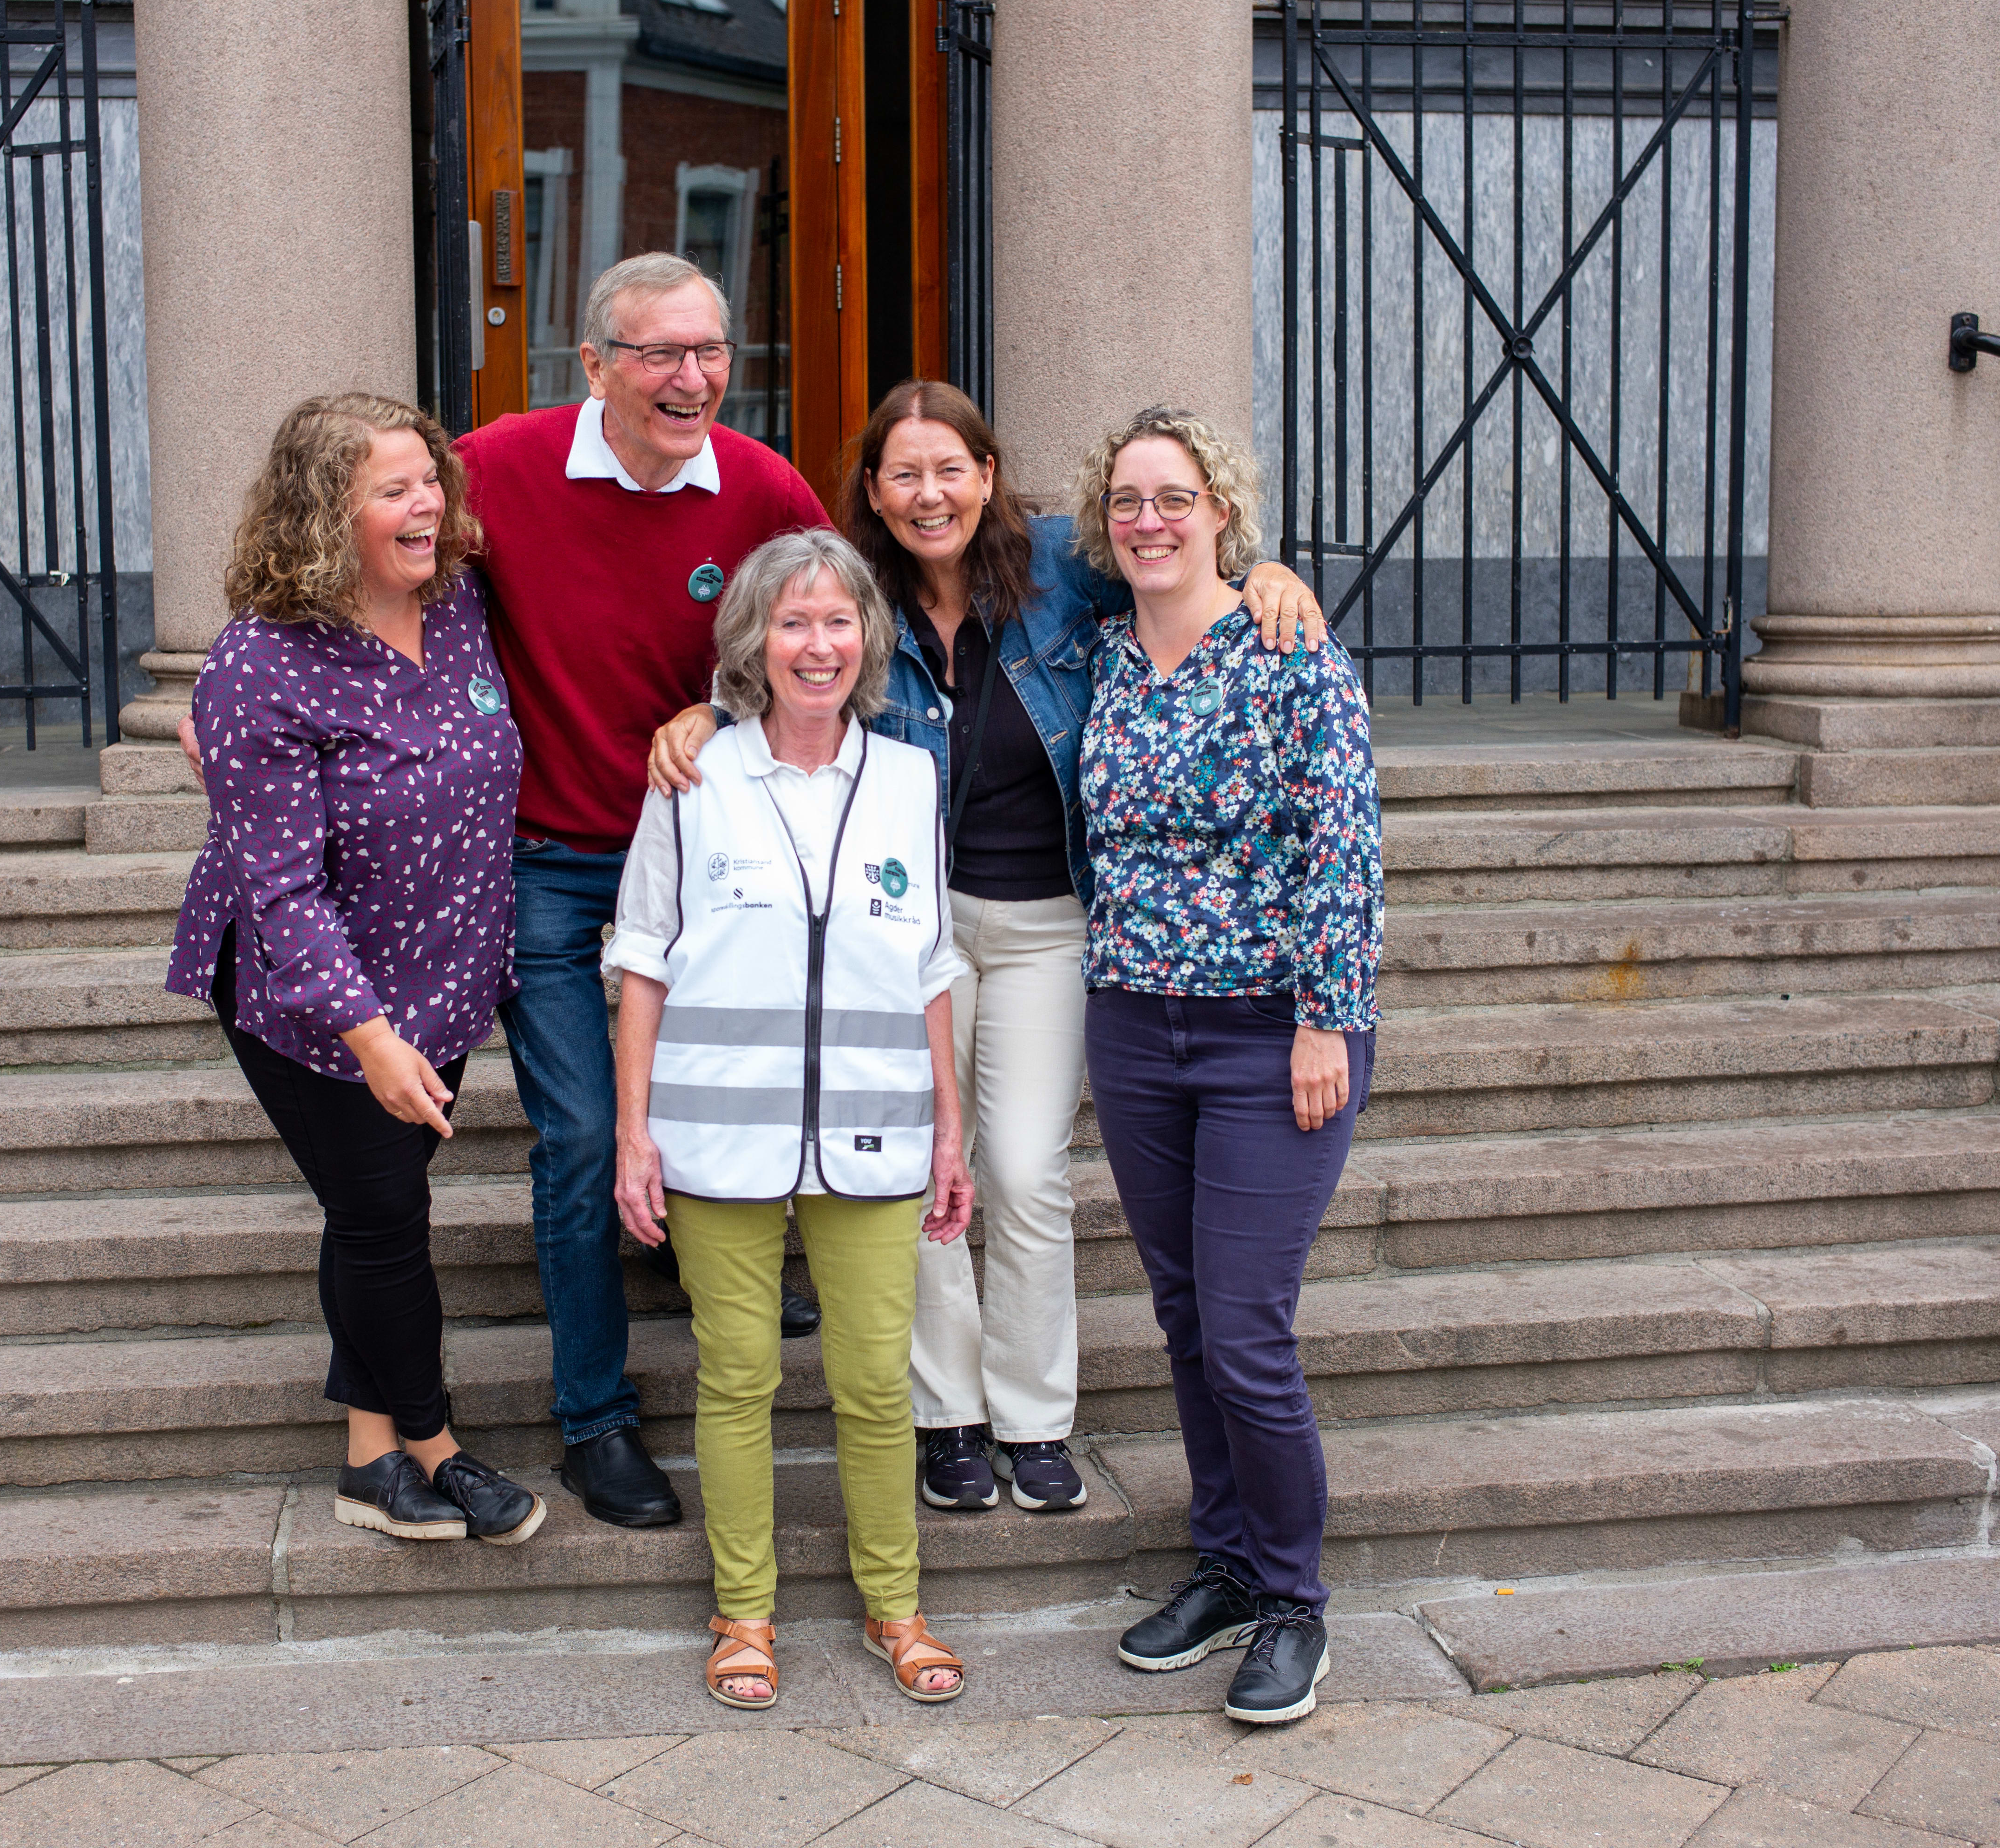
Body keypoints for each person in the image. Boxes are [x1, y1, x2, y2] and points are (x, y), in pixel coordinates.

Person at [182, 253, 832, 1532]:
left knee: (707, 1106)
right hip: (538, 870)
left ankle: (707, 1261)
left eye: (710, 349)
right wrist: (223, 708)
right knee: (579, 1137)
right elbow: (322, 570)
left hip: (703, 861)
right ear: (595, 365)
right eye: (659, 352)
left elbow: (841, 625)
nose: (691, 376)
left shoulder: (762, 487)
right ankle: (594, 1420)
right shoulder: (496, 471)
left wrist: (723, 704)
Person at [645, 381, 1326, 1521]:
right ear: (873, 491)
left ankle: (1034, 1417)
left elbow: (1178, 560)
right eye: (904, 474)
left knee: (1021, 1169)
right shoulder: (862, 591)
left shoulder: (1063, 565)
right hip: (907, 926)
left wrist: (1270, 572)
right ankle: (948, 1416)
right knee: (920, 1168)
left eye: (951, 469)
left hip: (1049, 924)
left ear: (989, 475)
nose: (931, 495)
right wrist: (706, 715)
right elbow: (782, 659)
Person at [166, 394, 545, 1550]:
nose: (428, 504)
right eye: (394, 490)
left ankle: (368, 1458)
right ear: (325, 513)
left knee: (369, 1213)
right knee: (385, 1213)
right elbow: (281, 891)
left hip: (445, 973)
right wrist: (369, 1036)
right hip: (311, 997)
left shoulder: (460, 602)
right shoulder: (260, 663)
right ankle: (434, 1443)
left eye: (431, 479)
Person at [609, 528, 977, 1711]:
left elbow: (930, 965)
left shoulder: (911, 779)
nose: (819, 645)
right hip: (719, 1138)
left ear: (868, 637)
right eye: (794, 622)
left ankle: (895, 1606)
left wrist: (951, 1130)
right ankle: (744, 1613)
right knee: (739, 1377)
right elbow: (642, 961)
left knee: (874, 1382)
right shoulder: (694, 776)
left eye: (838, 621)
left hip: (877, 1129)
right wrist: (632, 1135)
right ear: (753, 642)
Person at [1074, 406, 1381, 1727]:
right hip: (1136, 1025)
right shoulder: (1095, 655)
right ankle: (1227, 1567)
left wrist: (1327, 1017)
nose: (1149, 520)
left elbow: (1343, 842)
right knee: (1189, 1317)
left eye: (1175, 497)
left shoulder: (1290, 649)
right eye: (1127, 501)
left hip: (1273, 1030)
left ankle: (1295, 1602)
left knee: (1248, 1330)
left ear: (1221, 512)